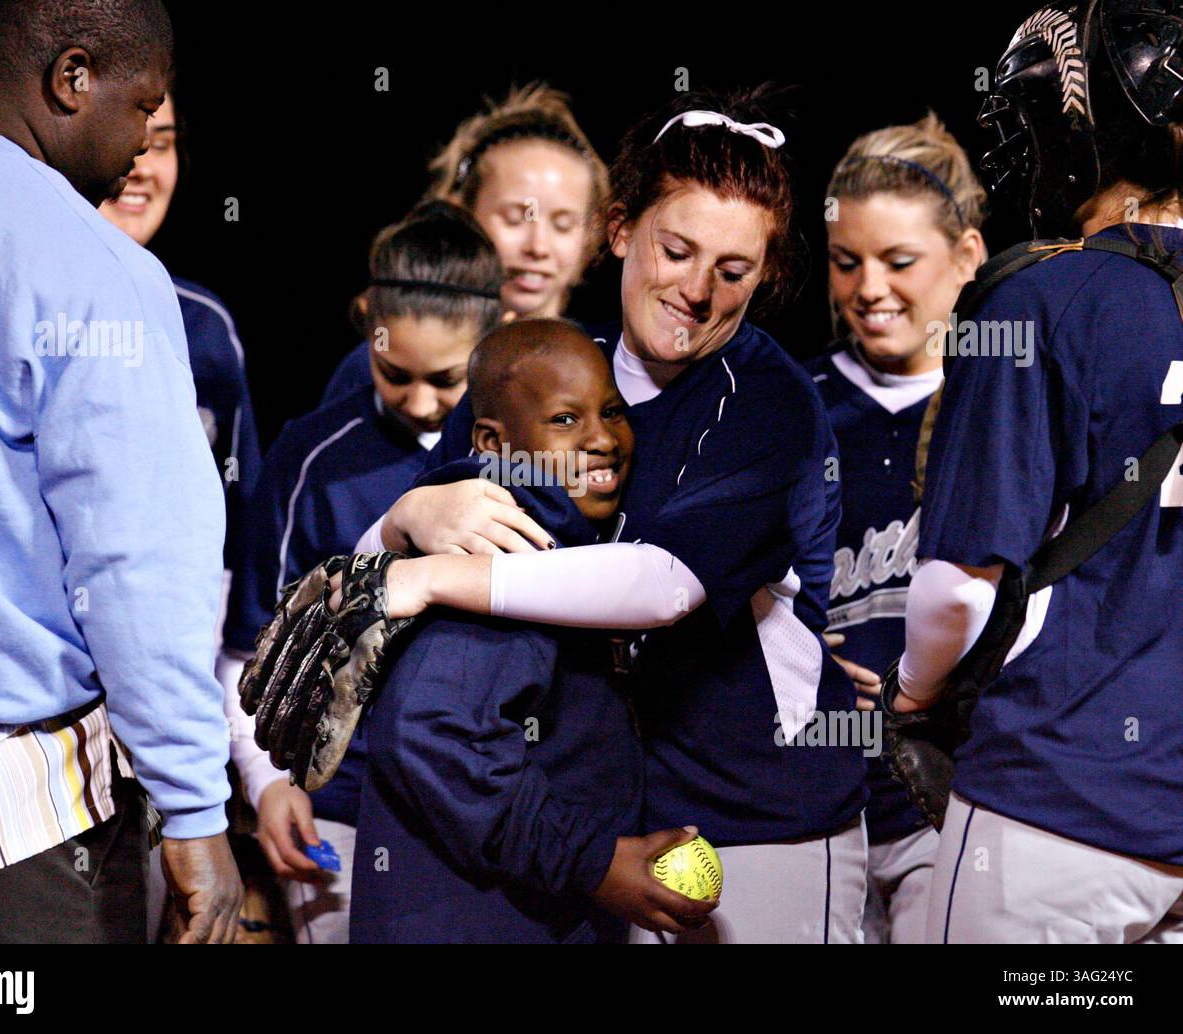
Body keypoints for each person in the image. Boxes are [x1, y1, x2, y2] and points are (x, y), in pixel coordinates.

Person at [348, 88, 870, 943]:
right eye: (676, 249)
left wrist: (436, 569)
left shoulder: (770, 403)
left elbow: (661, 585)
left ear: (767, 278)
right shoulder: (550, 371)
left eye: (733, 271)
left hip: (765, 815)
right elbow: (385, 567)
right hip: (609, 830)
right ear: (621, 230)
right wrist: (404, 521)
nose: (697, 289)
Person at [0, 0, 242, 943]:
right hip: (7, 841)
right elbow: (138, 569)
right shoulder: (95, 268)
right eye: (143, 108)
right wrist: (197, 813)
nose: (141, 146)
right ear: (71, 77)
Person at [888, 0, 1183, 943]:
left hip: (1058, 811)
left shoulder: (1046, 296)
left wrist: (913, 694)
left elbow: (956, 593)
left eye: (1035, 117)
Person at [350, 319, 715, 943]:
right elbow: (431, 732)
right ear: (493, 440)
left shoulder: (556, 534)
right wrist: (591, 861)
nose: (602, 438)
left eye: (612, 412)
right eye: (566, 420)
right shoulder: (503, 540)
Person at [218, 201, 507, 943]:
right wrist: (268, 781)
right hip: (344, 803)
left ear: (495, 338)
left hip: (501, 803)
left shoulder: (537, 453)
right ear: (365, 325)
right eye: (393, 373)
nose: (418, 402)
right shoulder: (313, 457)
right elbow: (251, 649)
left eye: (446, 378)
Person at [806, 114, 985, 943]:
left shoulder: (1006, 404)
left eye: (900, 261)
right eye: (848, 263)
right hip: (810, 800)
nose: (869, 288)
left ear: (968, 257)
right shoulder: (792, 402)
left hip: (953, 798)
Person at [320, 83, 607, 405]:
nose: (537, 246)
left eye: (563, 225)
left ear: (591, 235)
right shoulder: (387, 363)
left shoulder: (606, 368)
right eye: (514, 219)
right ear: (462, 215)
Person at [99, 91, 262, 589]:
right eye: (128, 140)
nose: (144, 166)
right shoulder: (8, 306)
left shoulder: (205, 328)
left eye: (162, 145)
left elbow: (242, 512)